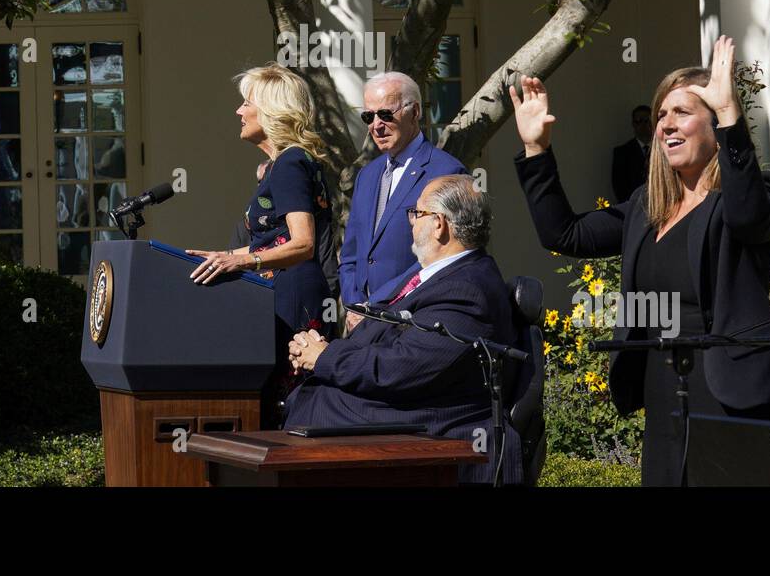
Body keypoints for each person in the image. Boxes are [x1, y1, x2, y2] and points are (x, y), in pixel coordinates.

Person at [511, 36, 770, 486]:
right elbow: (564, 233)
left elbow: (748, 220)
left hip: (732, 391)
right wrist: (537, 149)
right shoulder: (645, 209)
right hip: (664, 386)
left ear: (715, 125)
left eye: (683, 113)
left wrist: (731, 117)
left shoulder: (762, 192)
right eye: (660, 117)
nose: (667, 125)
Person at [284, 175, 522, 485]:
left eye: (416, 213)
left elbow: (401, 366)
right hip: (404, 403)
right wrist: (318, 349)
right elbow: (389, 338)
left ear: (439, 224)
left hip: (433, 424)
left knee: (317, 405)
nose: (411, 222)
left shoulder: (467, 289)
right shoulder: (443, 275)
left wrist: (325, 357)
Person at [186, 63, 335, 426]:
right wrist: (222, 256)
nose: (238, 112)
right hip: (286, 287)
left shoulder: (289, 163)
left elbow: (302, 244)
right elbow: (273, 240)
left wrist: (241, 262)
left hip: (293, 292)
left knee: (290, 401)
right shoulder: (282, 164)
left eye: (245, 103)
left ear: (270, 110)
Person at [339, 72, 465, 329]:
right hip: (362, 324)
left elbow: (444, 257)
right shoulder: (367, 175)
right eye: (368, 116)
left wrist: (380, 309)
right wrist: (354, 307)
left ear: (415, 112)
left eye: (386, 114)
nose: (376, 125)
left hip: (412, 320)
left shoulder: (446, 172)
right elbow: (352, 254)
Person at [611, 104, 653, 204]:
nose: (643, 125)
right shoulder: (622, 152)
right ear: (633, 124)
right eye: (638, 121)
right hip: (634, 208)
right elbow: (619, 187)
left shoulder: (665, 148)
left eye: (646, 120)